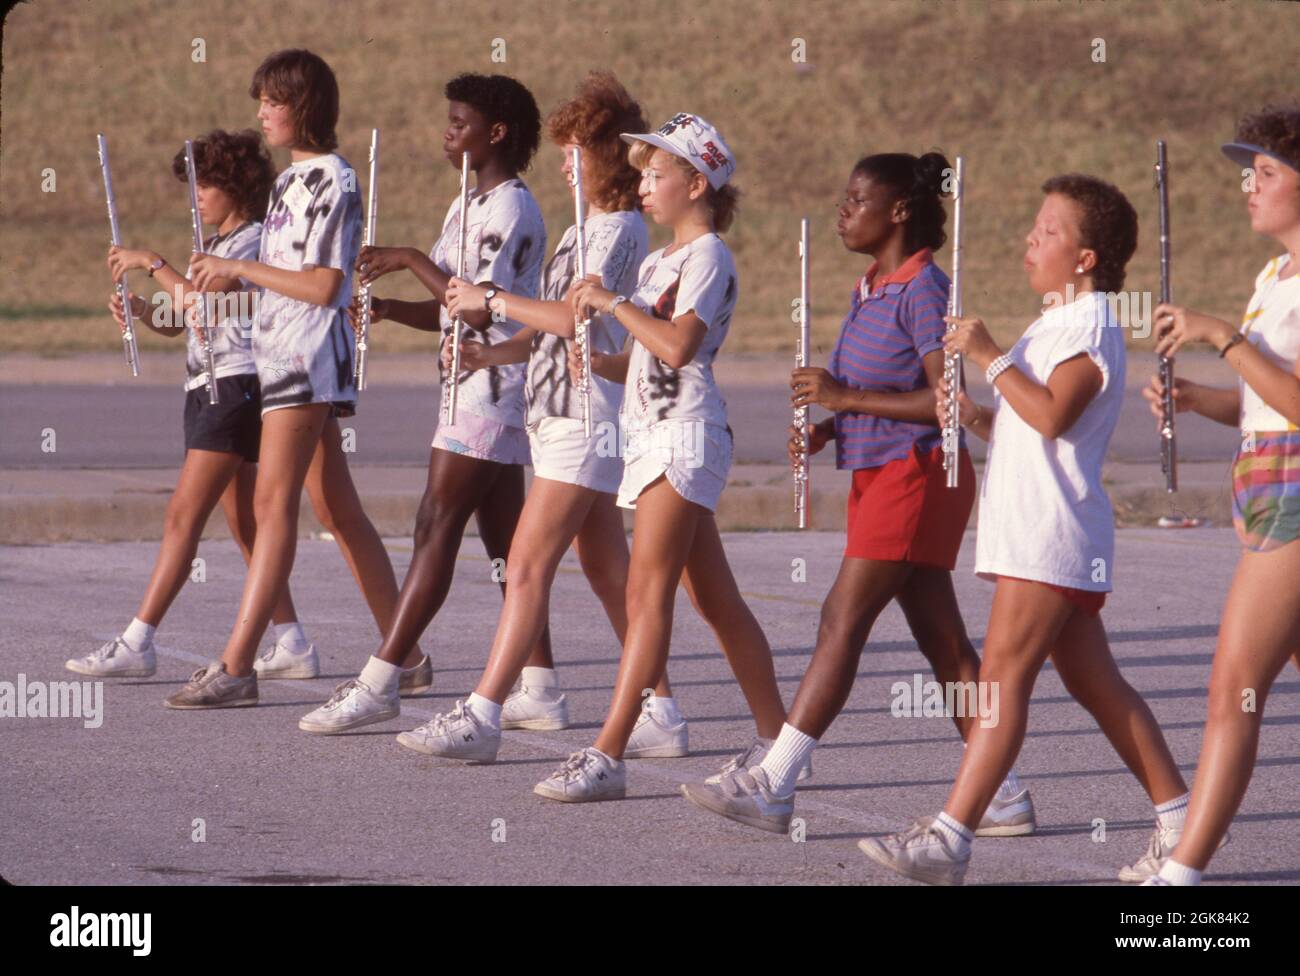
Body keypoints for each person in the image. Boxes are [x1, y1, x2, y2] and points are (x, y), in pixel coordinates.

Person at [680, 152, 1031, 836]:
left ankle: (775, 781)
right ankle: (1005, 793)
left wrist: (844, 396)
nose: (844, 210)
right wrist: (831, 428)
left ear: (898, 211)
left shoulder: (925, 288)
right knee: (945, 644)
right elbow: (880, 388)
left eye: (856, 199)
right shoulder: (870, 285)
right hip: (880, 473)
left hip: (920, 475)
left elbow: (947, 401)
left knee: (841, 617)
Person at [859, 174, 1190, 885]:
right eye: (1034, 228)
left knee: (1001, 683)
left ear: (1086, 258)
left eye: (1049, 231)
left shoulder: (1091, 321)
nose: (1030, 241)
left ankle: (951, 835)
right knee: (1098, 685)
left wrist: (988, 355)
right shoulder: (1054, 321)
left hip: (1052, 535)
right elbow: (1024, 422)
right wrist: (973, 413)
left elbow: (1052, 415)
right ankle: (1181, 819)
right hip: (1037, 536)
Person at [1139, 105, 1300, 885]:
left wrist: (1222, 338)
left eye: (1267, 173)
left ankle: (1184, 878)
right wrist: (1201, 398)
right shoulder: (1274, 278)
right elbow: (1269, 400)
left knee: (1232, 688)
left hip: (1296, 495)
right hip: (1262, 485)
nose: (1251, 186)